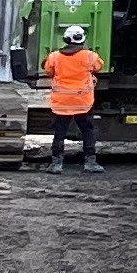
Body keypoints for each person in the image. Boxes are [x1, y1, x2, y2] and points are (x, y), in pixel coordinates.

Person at [46, 23, 104, 172]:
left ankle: (56, 164)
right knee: (87, 131)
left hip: (62, 103)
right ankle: (90, 163)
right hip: (82, 102)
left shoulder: (54, 57)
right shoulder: (90, 56)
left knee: (59, 133)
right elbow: (98, 67)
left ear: (65, 39)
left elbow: (48, 70)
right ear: (82, 39)